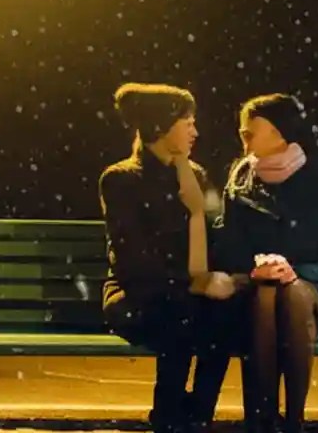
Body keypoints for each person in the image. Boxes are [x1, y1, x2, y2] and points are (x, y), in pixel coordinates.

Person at [210, 94, 318, 433]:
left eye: (250, 133)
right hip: (255, 283)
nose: (242, 140)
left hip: (315, 287)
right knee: (265, 296)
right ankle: (263, 419)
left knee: (291, 295)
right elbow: (227, 242)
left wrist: (297, 272)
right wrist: (254, 268)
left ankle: (293, 419)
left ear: (279, 134)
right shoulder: (241, 177)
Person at [99, 82, 242, 433]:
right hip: (136, 294)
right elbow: (133, 260)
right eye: (187, 121)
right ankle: (169, 417)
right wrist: (193, 282)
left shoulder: (195, 175)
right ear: (160, 127)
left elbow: (214, 233)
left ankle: (197, 414)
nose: (195, 130)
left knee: (226, 314)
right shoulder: (121, 179)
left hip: (187, 292)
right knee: (180, 311)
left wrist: (227, 277)